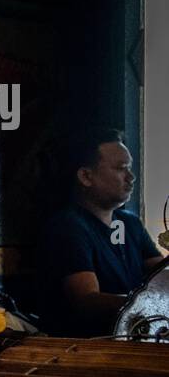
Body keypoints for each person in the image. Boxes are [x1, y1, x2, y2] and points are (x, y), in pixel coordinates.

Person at [37, 129, 165, 336]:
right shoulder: (68, 227)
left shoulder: (130, 223)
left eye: (130, 168)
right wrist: (150, 305)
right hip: (89, 348)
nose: (131, 177)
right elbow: (86, 301)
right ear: (86, 176)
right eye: (121, 168)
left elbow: (161, 274)